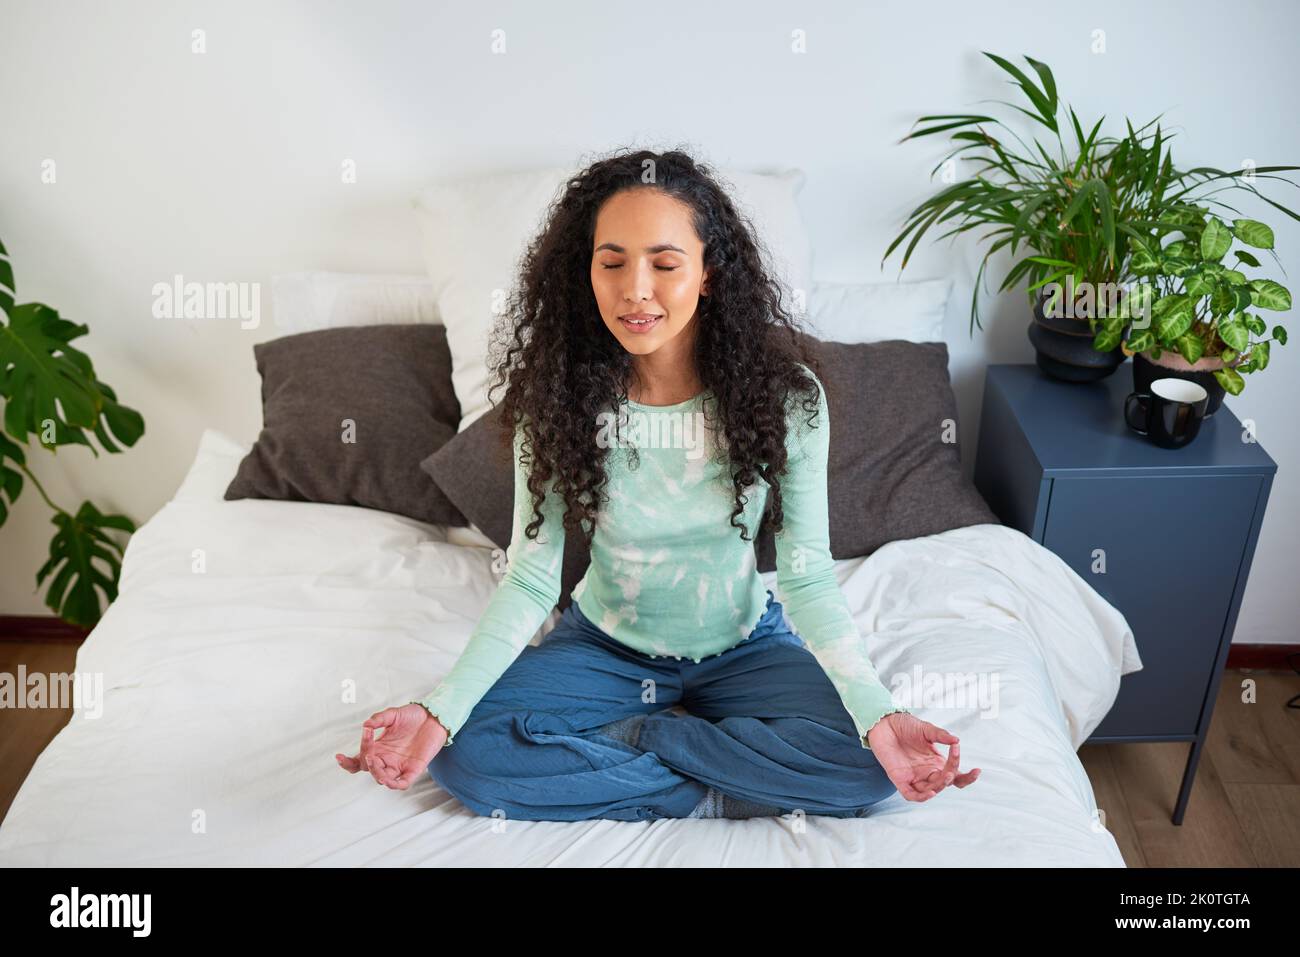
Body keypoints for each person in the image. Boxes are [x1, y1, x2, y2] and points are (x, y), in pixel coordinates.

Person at [336, 147, 980, 820]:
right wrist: (440, 709)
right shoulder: (554, 403)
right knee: (467, 756)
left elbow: (809, 574)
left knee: (866, 771)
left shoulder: (788, 400)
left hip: (745, 644)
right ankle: (706, 766)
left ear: (708, 274)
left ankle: (645, 745)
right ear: (585, 272)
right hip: (604, 645)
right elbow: (531, 578)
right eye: (611, 262)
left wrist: (880, 713)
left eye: (664, 263)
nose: (635, 288)